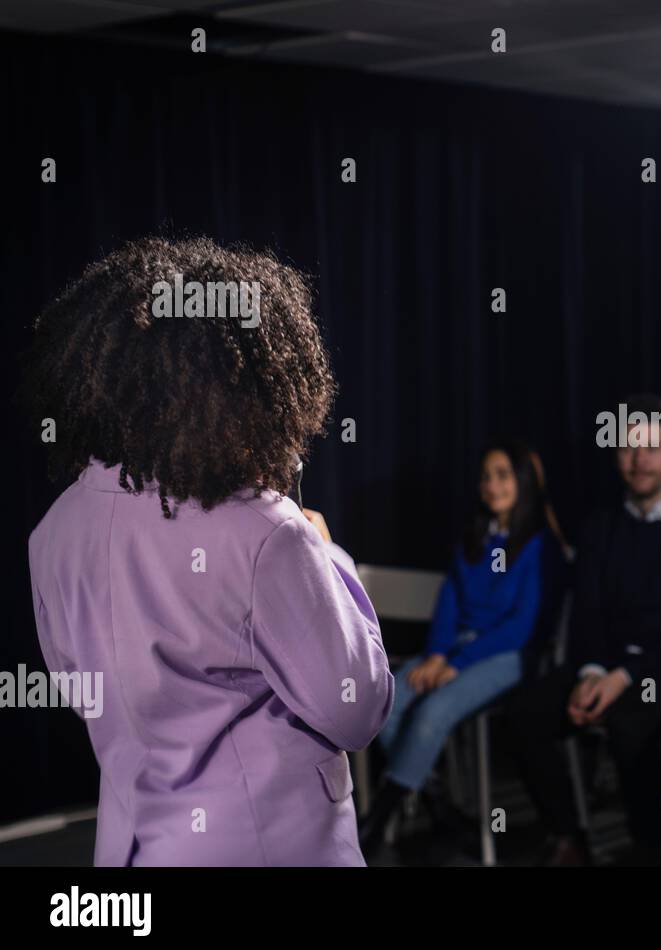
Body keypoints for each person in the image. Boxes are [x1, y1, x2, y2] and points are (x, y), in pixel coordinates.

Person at [23, 237, 393, 866]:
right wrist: (330, 556)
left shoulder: (54, 532)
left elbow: (84, 693)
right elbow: (354, 710)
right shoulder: (265, 530)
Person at [504, 395, 661, 865]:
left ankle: (648, 847)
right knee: (525, 713)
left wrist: (624, 676)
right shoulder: (601, 525)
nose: (639, 461)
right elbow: (587, 613)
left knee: (631, 723)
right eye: (629, 448)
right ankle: (568, 836)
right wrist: (591, 671)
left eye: (652, 448)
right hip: (604, 662)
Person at [359, 440, 566, 855]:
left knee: (434, 710)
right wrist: (438, 654)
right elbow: (450, 604)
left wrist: (457, 663)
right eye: (486, 476)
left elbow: (522, 627)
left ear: (523, 481)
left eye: (503, 475)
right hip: (457, 649)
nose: (492, 485)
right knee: (390, 699)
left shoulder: (543, 548)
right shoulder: (473, 540)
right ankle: (438, 802)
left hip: (512, 654)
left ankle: (378, 821)